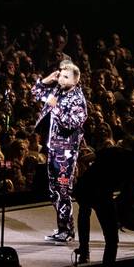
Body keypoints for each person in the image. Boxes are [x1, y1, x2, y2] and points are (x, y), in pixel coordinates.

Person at [30, 61, 88, 243]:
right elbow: (35, 93)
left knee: (63, 189)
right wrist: (48, 79)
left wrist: (55, 107)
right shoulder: (57, 90)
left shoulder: (78, 99)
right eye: (60, 75)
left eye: (65, 76)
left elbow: (73, 123)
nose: (61, 79)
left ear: (75, 80)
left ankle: (67, 231)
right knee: (54, 190)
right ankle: (64, 226)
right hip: (53, 148)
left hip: (66, 152)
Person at [73, 140, 134, 265]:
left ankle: (84, 252)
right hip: (102, 194)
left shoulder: (114, 150)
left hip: (84, 187)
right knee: (111, 238)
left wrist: (89, 175)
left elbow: (84, 159)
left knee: (84, 212)